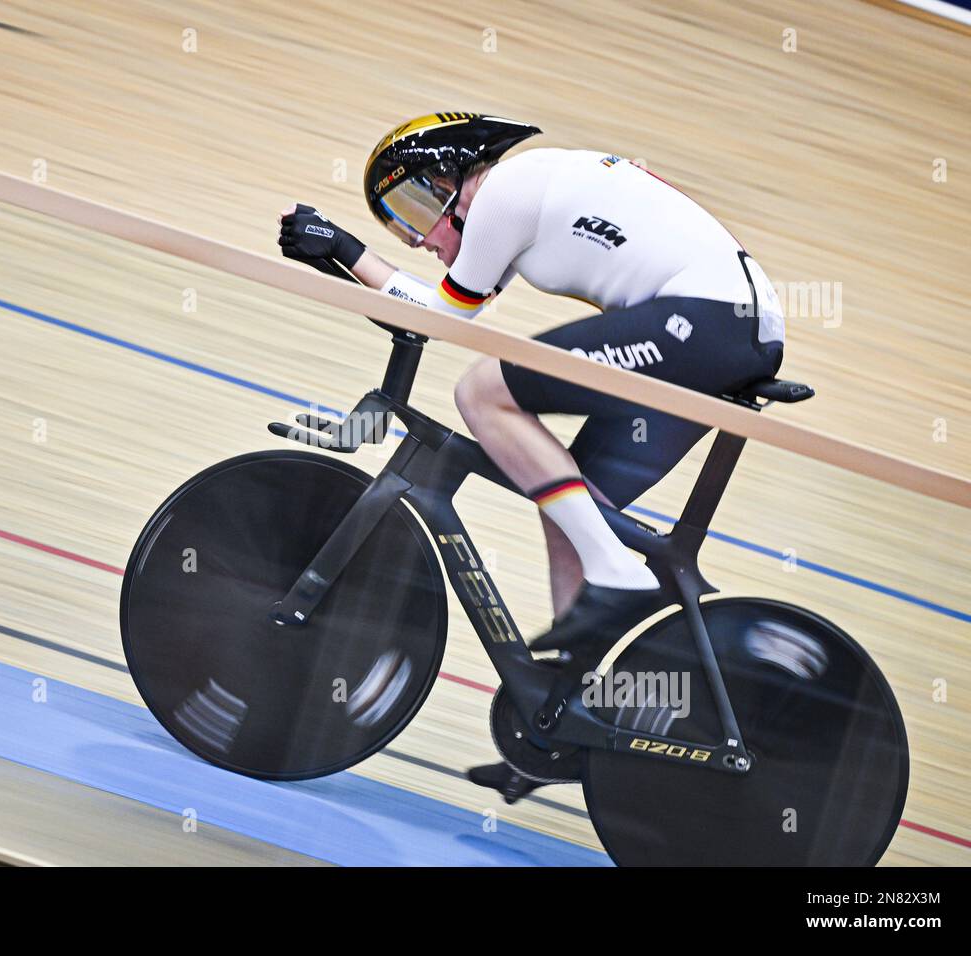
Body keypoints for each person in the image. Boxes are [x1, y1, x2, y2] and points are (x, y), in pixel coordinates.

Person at [277, 112, 785, 800]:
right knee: (566, 501)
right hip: (722, 327)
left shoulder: (506, 191)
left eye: (415, 207)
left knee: (482, 392)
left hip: (707, 321)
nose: (416, 236)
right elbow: (433, 303)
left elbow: (439, 317)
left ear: (454, 176)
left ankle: (614, 573)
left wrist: (344, 246)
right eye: (400, 223)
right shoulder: (526, 195)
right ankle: (566, 720)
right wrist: (343, 250)